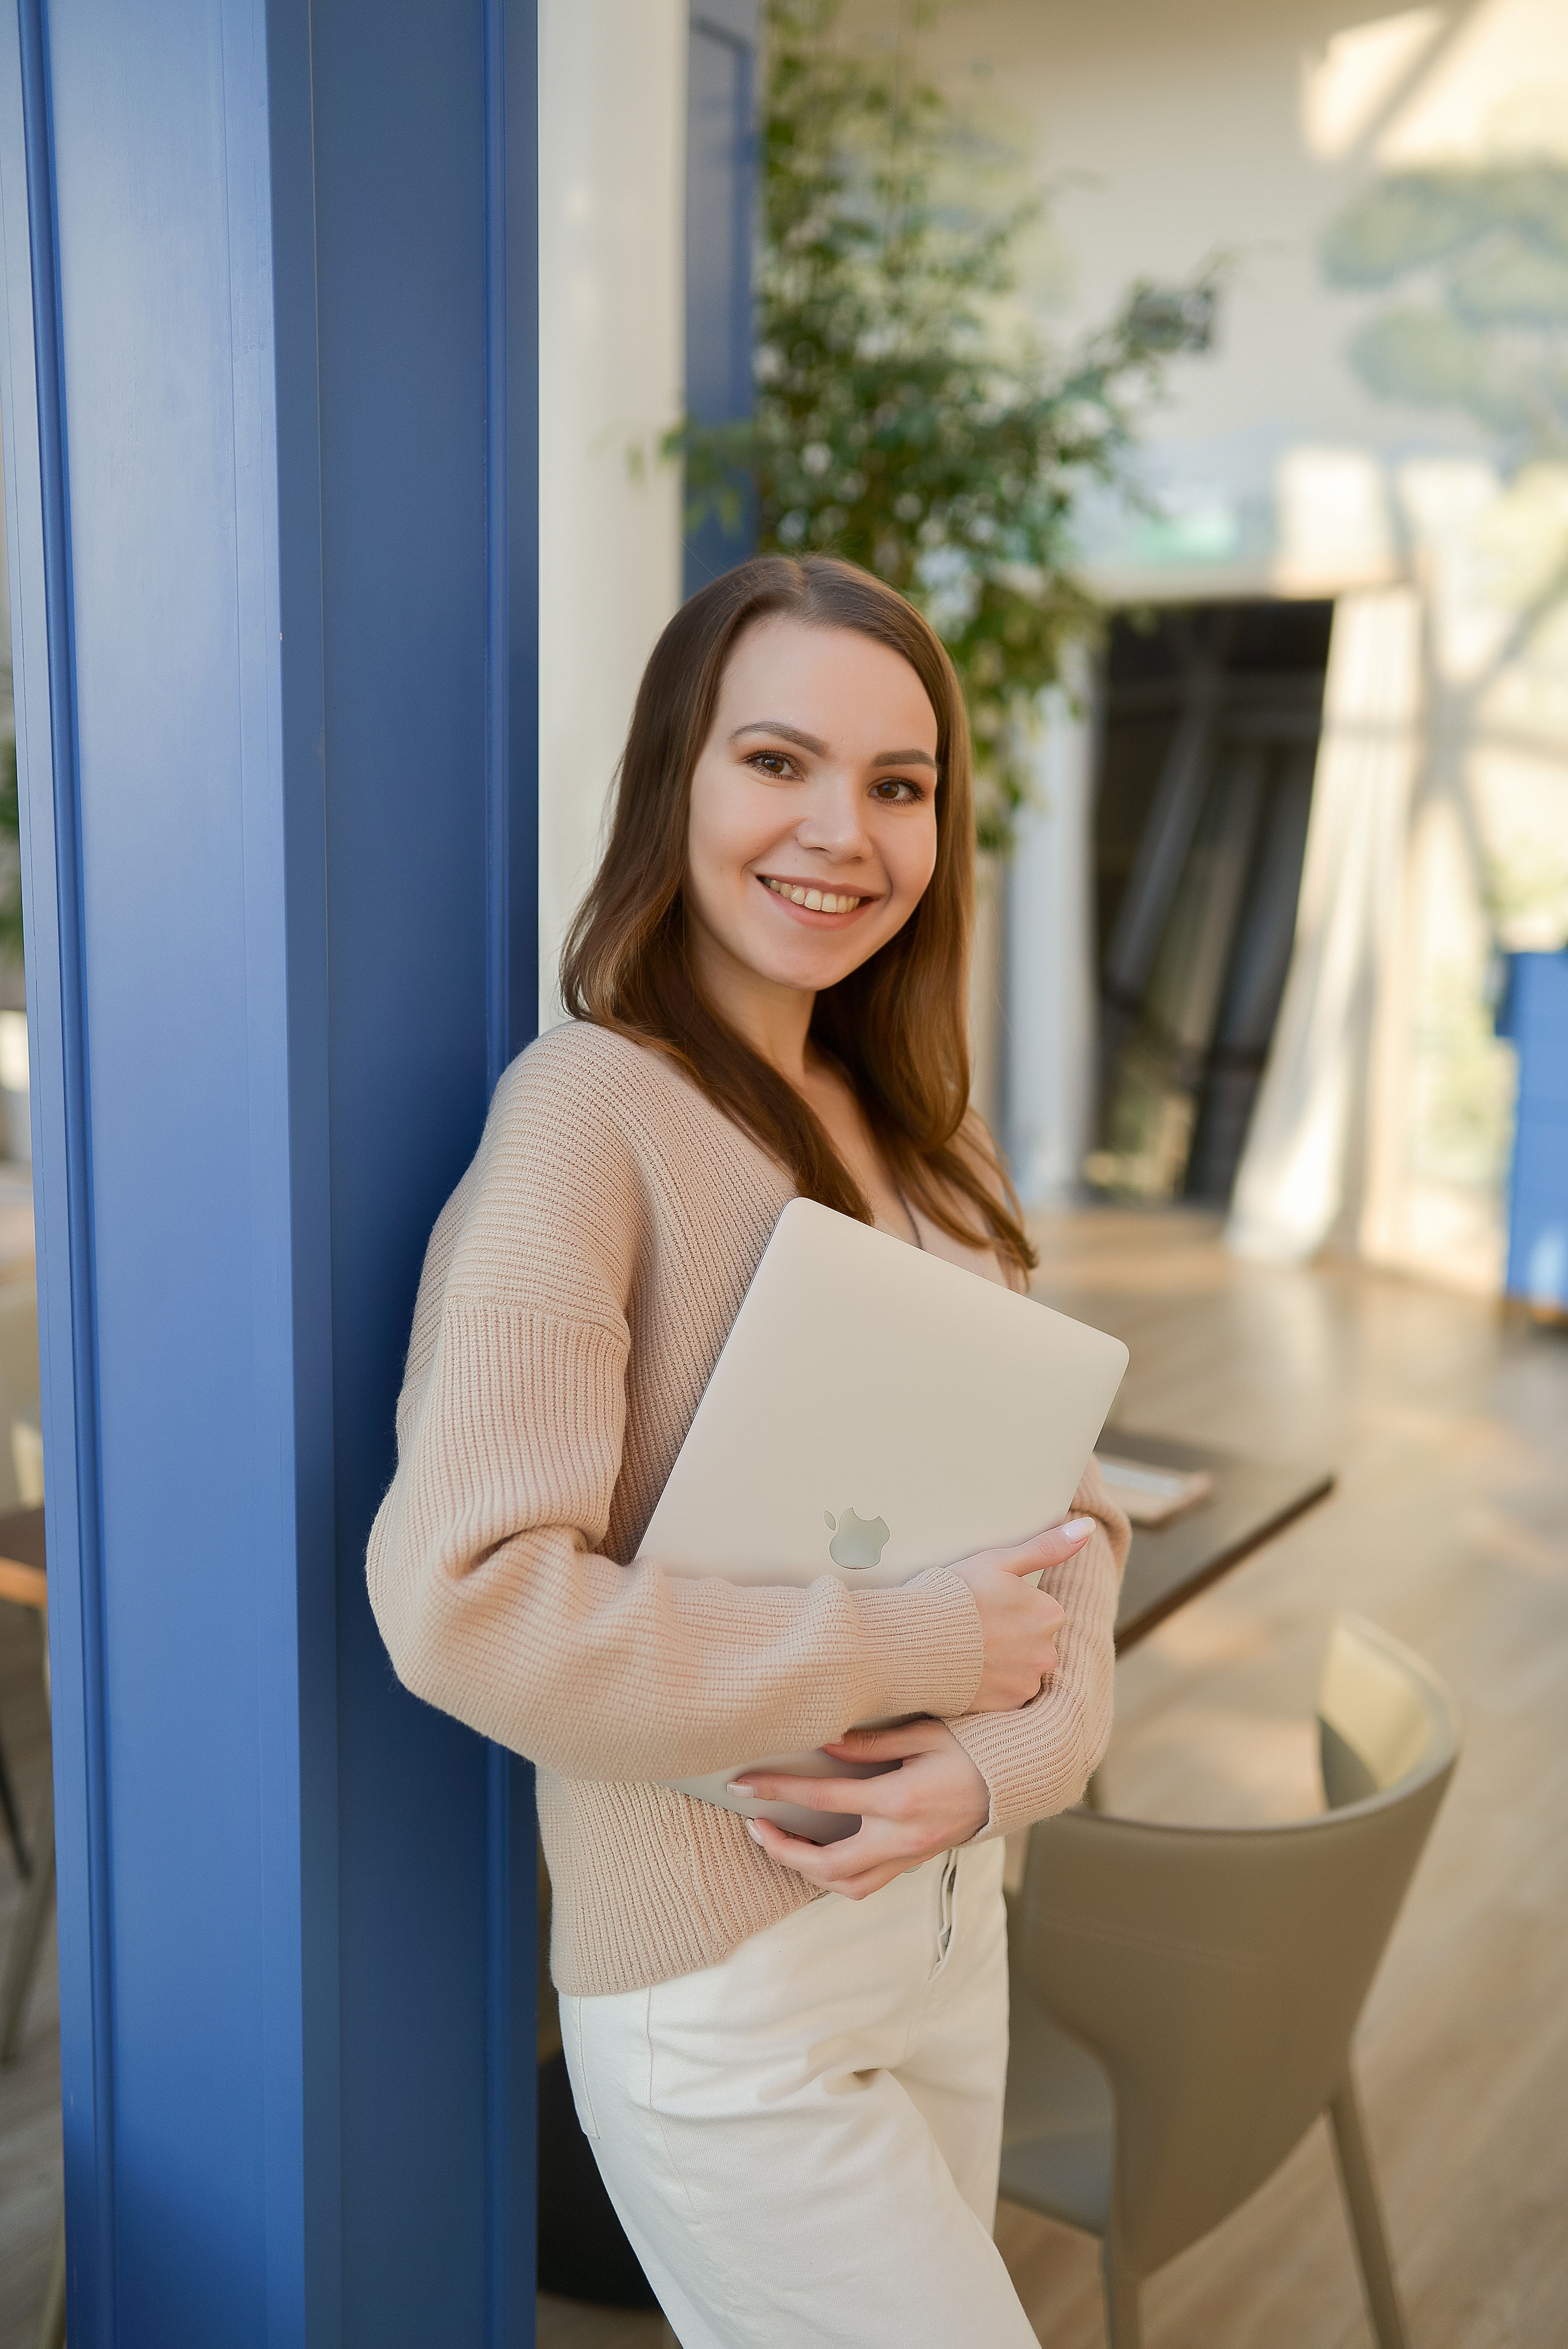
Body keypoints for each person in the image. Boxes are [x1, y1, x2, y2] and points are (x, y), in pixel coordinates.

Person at [367, 554, 1129, 2346]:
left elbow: (1071, 1526)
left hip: (950, 1928)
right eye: (775, 761)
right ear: (675, 784)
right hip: (729, 1987)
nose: (839, 831)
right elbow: (469, 1606)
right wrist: (933, 1649)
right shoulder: (591, 1116)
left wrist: (1022, 1751)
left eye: (898, 782)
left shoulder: (929, 1136)